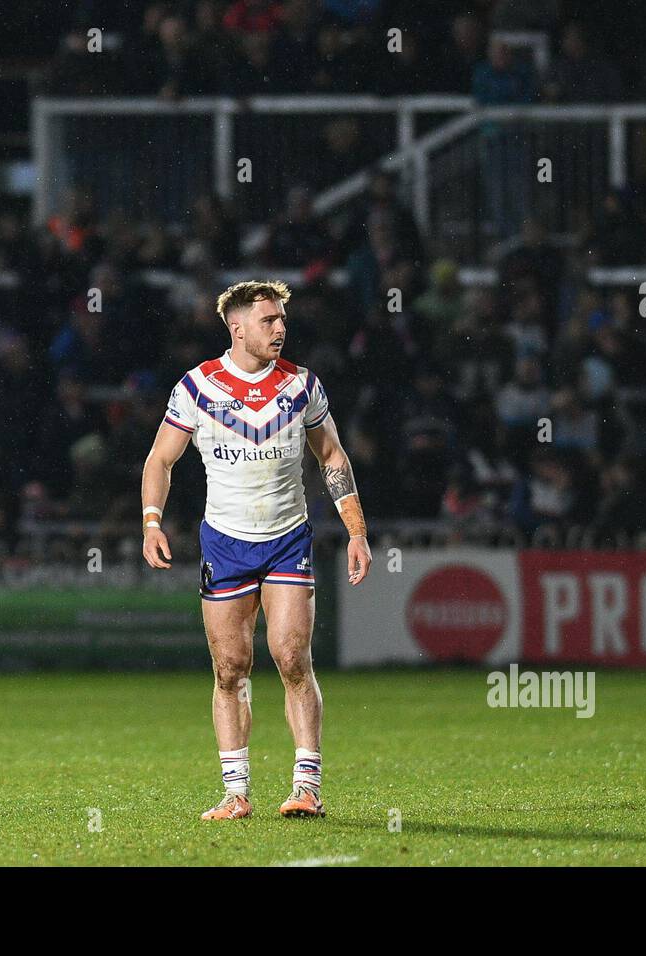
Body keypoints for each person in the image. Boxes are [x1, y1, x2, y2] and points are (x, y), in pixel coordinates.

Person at [140, 280, 371, 821]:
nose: (280, 328)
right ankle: (236, 793)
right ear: (237, 328)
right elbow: (160, 460)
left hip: (287, 539)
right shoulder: (198, 386)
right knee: (230, 668)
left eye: (282, 319)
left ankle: (307, 787)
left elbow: (332, 456)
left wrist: (357, 531)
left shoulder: (302, 385)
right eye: (269, 320)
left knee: (292, 658)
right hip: (225, 542)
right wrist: (151, 521)